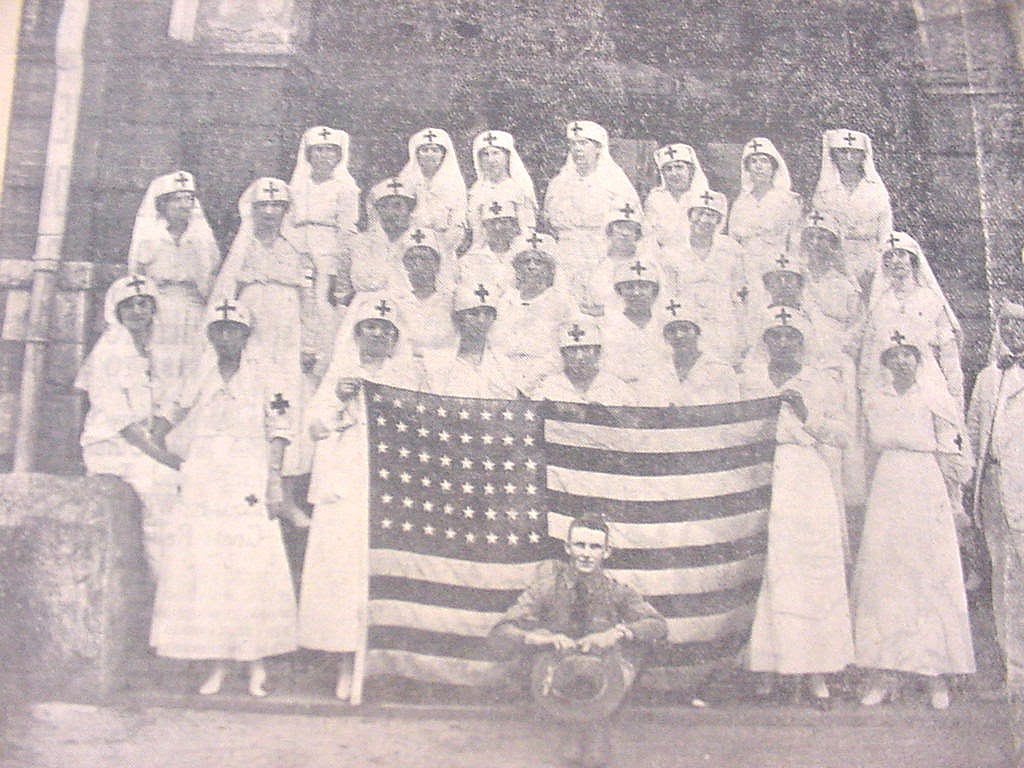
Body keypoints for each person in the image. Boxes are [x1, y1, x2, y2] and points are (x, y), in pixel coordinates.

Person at [150, 299, 298, 698]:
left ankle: (255, 662)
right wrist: (159, 445)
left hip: (247, 473)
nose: (226, 337)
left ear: (246, 335)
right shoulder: (199, 372)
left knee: (248, 565)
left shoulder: (265, 374)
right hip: (205, 477)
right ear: (210, 335)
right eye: (218, 330)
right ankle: (216, 662)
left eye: (234, 330)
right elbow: (171, 411)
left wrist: (273, 477)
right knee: (210, 566)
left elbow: (280, 427)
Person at [300, 292, 424, 701]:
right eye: (371, 328)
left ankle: (381, 665)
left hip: (385, 490)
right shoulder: (341, 375)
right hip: (344, 489)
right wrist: (337, 396)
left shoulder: (404, 378)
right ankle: (343, 662)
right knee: (341, 577)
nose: (377, 335)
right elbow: (315, 427)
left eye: (385, 330)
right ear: (358, 333)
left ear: (395, 338)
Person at [854, 331, 975, 709]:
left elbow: (954, 448)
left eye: (909, 354)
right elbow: (867, 449)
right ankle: (884, 672)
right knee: (886, 576)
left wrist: (954, 499)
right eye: (894, 355)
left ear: (919, 359)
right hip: (887, 487)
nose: (901, 361)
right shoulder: (876, 398)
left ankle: (934, 674)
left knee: (928, 573)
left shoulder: (935, 398)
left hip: (925, 484)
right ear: (885, 361)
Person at [489, 513, 668, 768]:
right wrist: (541, 639)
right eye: (580, 545)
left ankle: (595, 725)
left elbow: (658, 625)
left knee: (633, 648)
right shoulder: (546, 588)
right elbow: (501, 631)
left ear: (606, 552)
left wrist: (615, 633)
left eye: (594, 547)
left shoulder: (618, 591)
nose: (586, 554)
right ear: (568, 547)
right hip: (556, 670)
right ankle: (577, 727)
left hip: (602, 672)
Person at [740, 306, 853, 706]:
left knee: (812, 569)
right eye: (775, 336)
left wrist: (809, 414)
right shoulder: (750, 380)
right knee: (771, 569)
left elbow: (842, 435)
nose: (783, 343)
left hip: (808, 476)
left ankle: (818, 668)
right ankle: (772, 665)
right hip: (765, 475)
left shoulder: (819, 381)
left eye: (791, 337)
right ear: (765, 341)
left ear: (803, 342)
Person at [209, 177, 316, 525]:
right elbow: (227, 294)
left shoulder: (298, 248)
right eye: (263, 206)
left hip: (288, 332)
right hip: (252, 331)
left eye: (277, 206)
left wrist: (311, 340)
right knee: (252, 398)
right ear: (252, 210)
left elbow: (309, 297)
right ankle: (245, 488)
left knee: (287, 403)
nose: (270, 213)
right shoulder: (243, 247)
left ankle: (285, 494)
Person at [74, 274, 181, 580]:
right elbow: (120, 422)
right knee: (161, 484)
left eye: (143, 304)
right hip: (111, 445)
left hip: (146, 441)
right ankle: (165, 581)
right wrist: (162, 457)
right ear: (117, 311)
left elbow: (167, 400)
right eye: (129, 306)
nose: (137, 311)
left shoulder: (156, 347)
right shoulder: (109, 351)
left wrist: (165, 442)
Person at [967, 300, 1024, 721]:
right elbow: (972, 433)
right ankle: (1013, 677)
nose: (1013, 330)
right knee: (1004, 587)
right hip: (994, 493)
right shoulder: (988, 378)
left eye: (1020, 323)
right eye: (1007, 323)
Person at [128, 170, 220, 414]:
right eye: (177, 199)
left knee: (192, 367)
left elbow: (211, 277)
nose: (184, 205)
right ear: (163, 204)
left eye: (189, 199)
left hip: (193, 310)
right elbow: (138, 277)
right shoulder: (150, 237)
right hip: (160, 311)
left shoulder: (202, 238)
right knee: (159, 366)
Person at [858, 231, 963, 404]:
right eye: (890, 257)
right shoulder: (880, 305)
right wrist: (866, 391)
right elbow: (869, 353)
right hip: (889, 387)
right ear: (885, 264)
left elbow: (948, 351)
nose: (896, 261)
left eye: (901, 254)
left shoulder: (930, 299)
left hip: (929, 382)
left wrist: (954, 395)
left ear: (912, 260)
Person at [543, 120, 641, 298]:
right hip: (567, 254)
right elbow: (550, 221)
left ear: (598, 148)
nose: (577, 149)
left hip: (601, 252)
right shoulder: (558, 184)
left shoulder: (615, 183)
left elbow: (630, 226)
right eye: (573, 144)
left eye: (583, 143)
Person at [660, 189, 749, 368]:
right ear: (690, 215)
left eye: (711, 215)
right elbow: (667, 294)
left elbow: (740, 294)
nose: (704, 220)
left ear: (718, 220)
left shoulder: (731, 249)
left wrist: (742, 332)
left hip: (723, 322)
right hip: (688, 325)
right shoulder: (671, 251)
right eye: (699, 213)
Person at [282, 125, 360, 324]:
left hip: (329, 252)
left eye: (330, 150)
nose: (324, 156)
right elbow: (287, 223)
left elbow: (347, 230)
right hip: (297, 250)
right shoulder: (296, 187)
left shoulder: (345, 188)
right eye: (318, 150)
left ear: (338, 156)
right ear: (308, 155)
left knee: (323, 305)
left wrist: (341, 269)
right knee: (296, 305)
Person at [490, 231, 575, 396]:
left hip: (546, 377)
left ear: (550, 269)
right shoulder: (504, 301)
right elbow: (493, 344)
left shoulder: (563, 303)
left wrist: (531, 379)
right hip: (502, 373)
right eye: (525, 261)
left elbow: (564, 350)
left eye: (539, 262)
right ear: (517, 268)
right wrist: (505, 374)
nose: (531, 266)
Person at [811, 129, 893, 291]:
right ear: (834, 156)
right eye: (843, 152)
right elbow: (819, 231)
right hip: (835, 259)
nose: (849, 158)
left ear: (864, 156)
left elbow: (885, 231)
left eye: (855, 153)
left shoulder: (876, 189)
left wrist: (880, 261)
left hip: (870, 258)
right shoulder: (825, 190)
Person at [422, 277, 518, 398]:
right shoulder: (435, 364)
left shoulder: (505, 366)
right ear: (459, 318)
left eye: (488, 314)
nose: (481, 320)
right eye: (473, 314)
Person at [636, 296, 739, 406]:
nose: (678, 335)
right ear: (665, 337)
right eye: (671, 331)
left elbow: (731, 414)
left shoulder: (720, 370)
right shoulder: (654, 371)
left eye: (685, 329)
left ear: (697, 332)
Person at [727, 137, 802, 282]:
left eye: (764, 161)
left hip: (777, 266)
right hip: (746, 268)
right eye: (753, 161)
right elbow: (733, 242)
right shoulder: (740, 203)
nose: (758, 166)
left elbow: (795, 241)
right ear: (747, 168)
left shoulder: (789, 200)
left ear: (774, 167)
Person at [599, 257, 670, 389]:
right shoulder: (606, 326)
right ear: (619, 291)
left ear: (654, 291)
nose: (636, 292)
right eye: (629, 287)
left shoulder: (666, 324)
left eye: (643, 286)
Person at [533, 317, 637, 406]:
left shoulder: (617, 388)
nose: (579, 357)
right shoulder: (548, 388)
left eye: (586, 349)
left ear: (597, 351)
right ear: (563, 353)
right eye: (572, 350)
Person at [388, 227, 457, 359]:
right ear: (405, 265)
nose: (418, 265)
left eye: (424, 259)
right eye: (412, 259)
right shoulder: (395, 301)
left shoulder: (451, 301)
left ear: (437, 264)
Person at [398, 127, 468, 254]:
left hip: (444, 245)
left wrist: (441, 250)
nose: (430, 154)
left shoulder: (454, 183)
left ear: (443, 154)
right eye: (424, 150)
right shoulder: (405, 180)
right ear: (417, 154)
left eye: (435, 150)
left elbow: (458, 220)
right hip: (409, 245)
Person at [350, 177, 426, 292]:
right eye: (384, 207)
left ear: (410, 210)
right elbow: (360, 282)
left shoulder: (424, 241)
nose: (390, 213)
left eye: (397, 206)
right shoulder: (363, 242)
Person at [466, 129, 537, 249]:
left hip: (517, 249)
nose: (491, 160)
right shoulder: (476, 191)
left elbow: (527, 230)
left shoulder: (519, 188)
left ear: (507, 156)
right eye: (486, 154)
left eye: (496, 153)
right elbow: (476, 232)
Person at [582, 200, 650, 316]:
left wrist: (607, 311)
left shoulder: (647, 265)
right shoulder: (594, 263)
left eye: (630, 228)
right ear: (609, 231)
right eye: (619, 227)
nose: (624, 233)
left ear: (637, 234)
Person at [642, 142, 710, 250]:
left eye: (679, 167)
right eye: (668, 169)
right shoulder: (655, 198)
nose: (674, 173)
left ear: (690, 171)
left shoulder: (703, 197)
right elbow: (648, 234)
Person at [458, 196, 521, 286]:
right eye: (492, 222)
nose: (498, 228)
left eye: (504, 222)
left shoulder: (523, 255)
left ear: (513, 225)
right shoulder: (469, 260)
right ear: (484, 226)